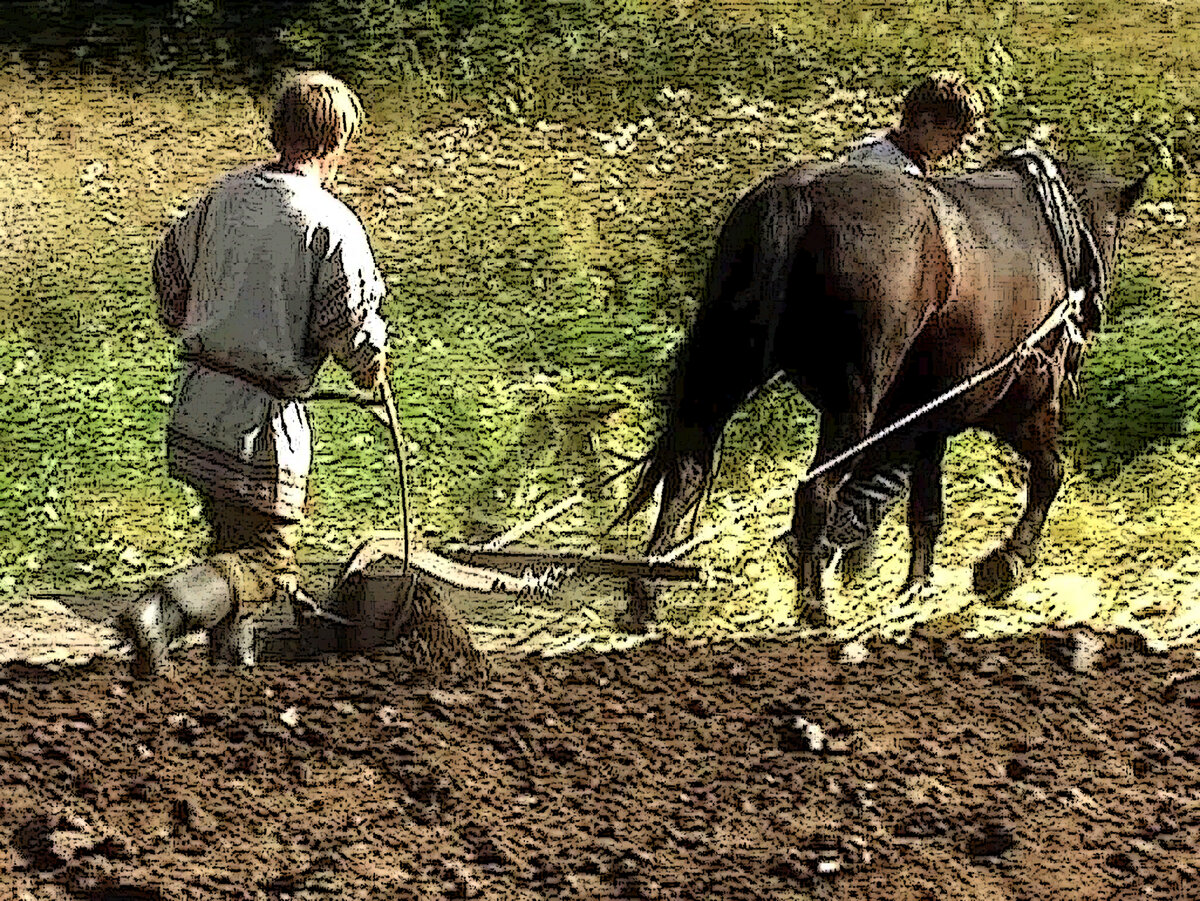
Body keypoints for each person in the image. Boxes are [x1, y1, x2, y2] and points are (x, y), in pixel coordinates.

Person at [119, 70, 389, 676]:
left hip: (196, 402)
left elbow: (168, 271)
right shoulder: (329, 221)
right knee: (268, 564)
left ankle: (229, 670)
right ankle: (162, 612)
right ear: (339, 142)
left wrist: (200, 326)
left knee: (231, 547)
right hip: (257, 421)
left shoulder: (223, 196)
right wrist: (370, 368)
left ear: (278, 130)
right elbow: (349, 326)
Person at [844, 74, 981, 176]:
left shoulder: (869, 146)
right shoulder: (895, 168)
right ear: (925, 122)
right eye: (952, 135)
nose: (957, 145)